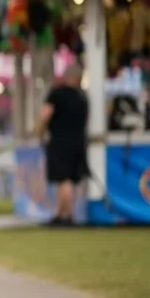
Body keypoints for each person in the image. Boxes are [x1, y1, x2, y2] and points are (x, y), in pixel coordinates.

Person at [36, 63, 89, 226]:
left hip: (60, 142)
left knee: (63, 179)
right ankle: (63, 213)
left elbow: (45, 115)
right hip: (79, 143)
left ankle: (64, 216)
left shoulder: (57, 94)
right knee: (70, 180)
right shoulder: (82, 98)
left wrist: (40, 132)